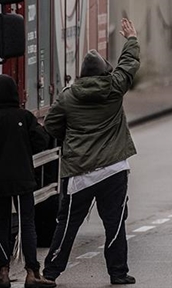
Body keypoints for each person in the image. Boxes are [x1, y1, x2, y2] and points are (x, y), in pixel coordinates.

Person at [42, 18, 140, 286]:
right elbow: (128, 66)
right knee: (115, 223)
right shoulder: (114, 88)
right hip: (113, 170)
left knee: (67, 224)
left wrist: (71, 138)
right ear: (104, 72)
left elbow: (51, 125)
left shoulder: (67, 97)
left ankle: (50, 273)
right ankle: (118, 273)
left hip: (80, 173)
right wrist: (131, 39)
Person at [0, 75, 56, 288]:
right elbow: (41, 142)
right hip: (23, 178)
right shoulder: (25, 117)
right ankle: (32, 273)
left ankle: (3, 273)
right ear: (15, 92)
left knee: (0, 225)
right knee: (27, 225)